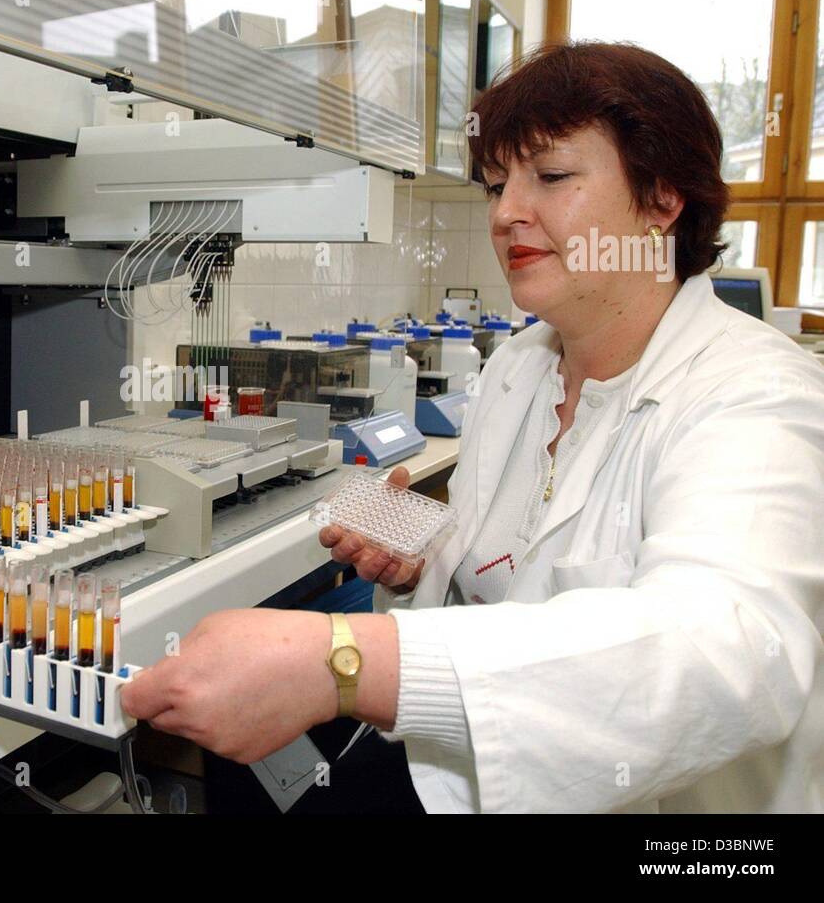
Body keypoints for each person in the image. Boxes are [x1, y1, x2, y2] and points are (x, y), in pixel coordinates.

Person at [120, 42, 824, 813]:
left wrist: (343, 662)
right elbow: (513, 575)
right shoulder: (522, 367)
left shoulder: (756, 393)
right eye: (495, 186)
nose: (506, 214)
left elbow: (726, 656)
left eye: (550, 177)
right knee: (261, 775)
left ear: (662, 199)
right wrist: (425, 559)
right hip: (476, 766)